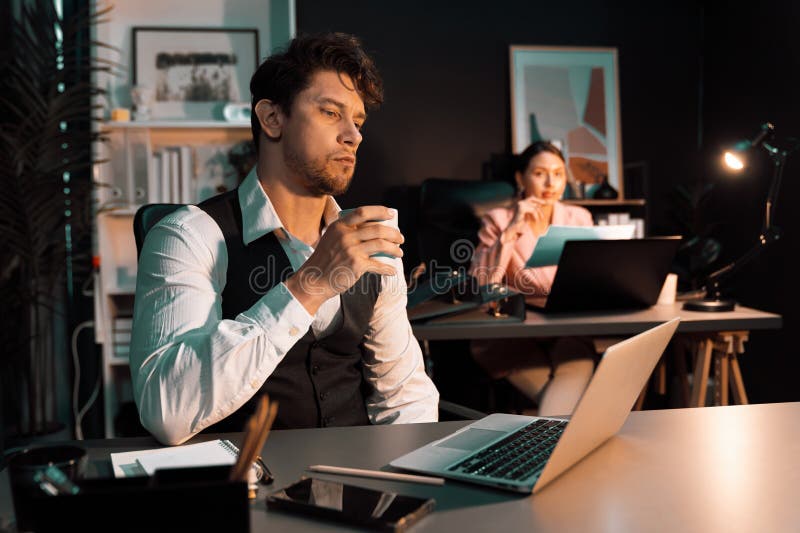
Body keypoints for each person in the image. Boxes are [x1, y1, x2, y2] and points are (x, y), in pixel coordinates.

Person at [129, 33, 439, 445]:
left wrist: (411, 482)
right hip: (245, 493)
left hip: (362, 490)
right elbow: (166, 411)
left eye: (358, 121)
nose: (353, 135)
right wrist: (309, 285)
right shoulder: (188, 235)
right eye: (331, 113)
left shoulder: (369, 241)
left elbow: (404, 398)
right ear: (272, 119)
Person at [469, 141, 596, 416]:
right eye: (539, 173)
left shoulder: (579, 218)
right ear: (520, 178)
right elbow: (481, 285)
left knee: (577, 364)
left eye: (559, 173)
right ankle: (556, 450)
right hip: (511, 333)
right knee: (575, 403)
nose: (550, 182)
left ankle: (544, 446)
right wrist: (511, 231)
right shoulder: (498, 219)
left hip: (565, 328)